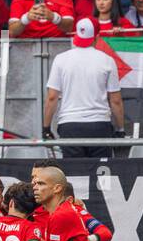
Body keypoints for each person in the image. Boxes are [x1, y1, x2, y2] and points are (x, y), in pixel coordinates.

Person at [42, 18, 124, 159]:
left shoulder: (61, 59)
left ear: (77, 35)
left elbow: (52, 97)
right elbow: (115, 100)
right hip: (99, 124)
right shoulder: (107, 60)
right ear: (97, 37)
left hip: (69, 125)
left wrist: (46, 128)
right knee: (101, 170)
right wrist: (120, 129)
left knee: (74, 171)